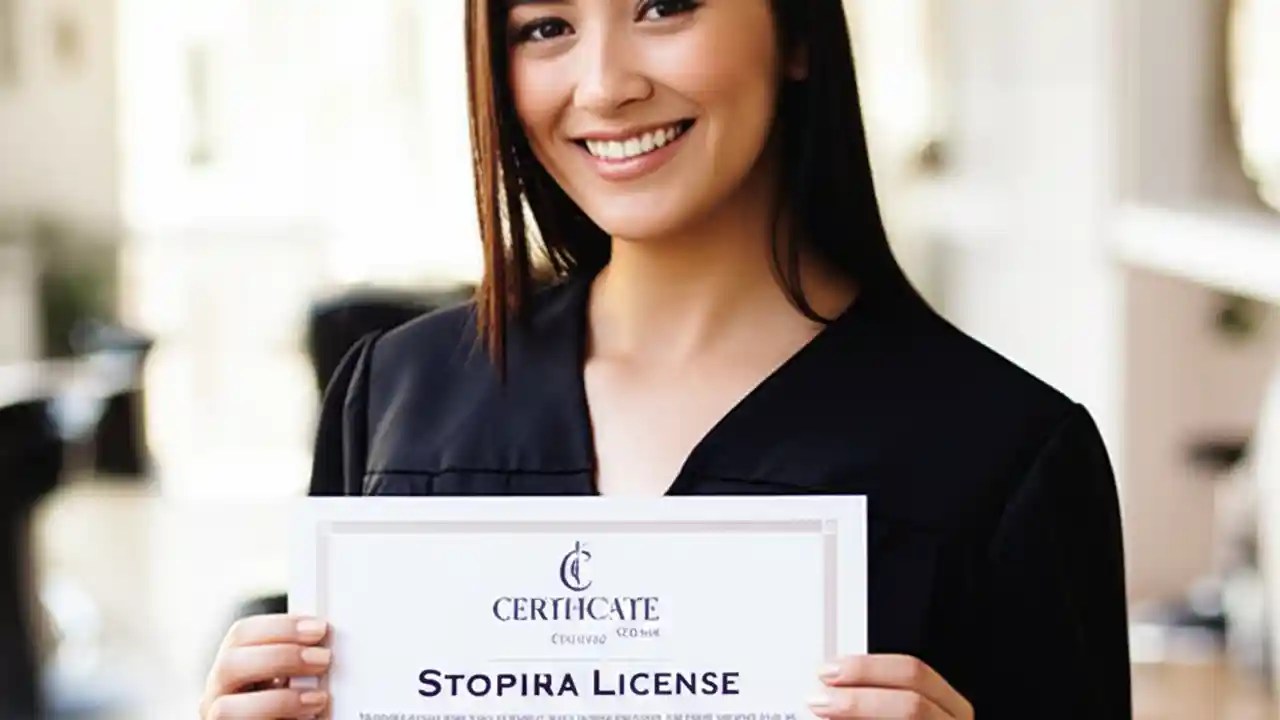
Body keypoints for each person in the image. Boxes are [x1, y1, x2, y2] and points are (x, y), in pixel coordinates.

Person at [199, 0, 1132, 717]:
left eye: (665, 4)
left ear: (796, 34)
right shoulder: (399, 397)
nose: (604, 85)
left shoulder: (1001, 453)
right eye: (547, 26)